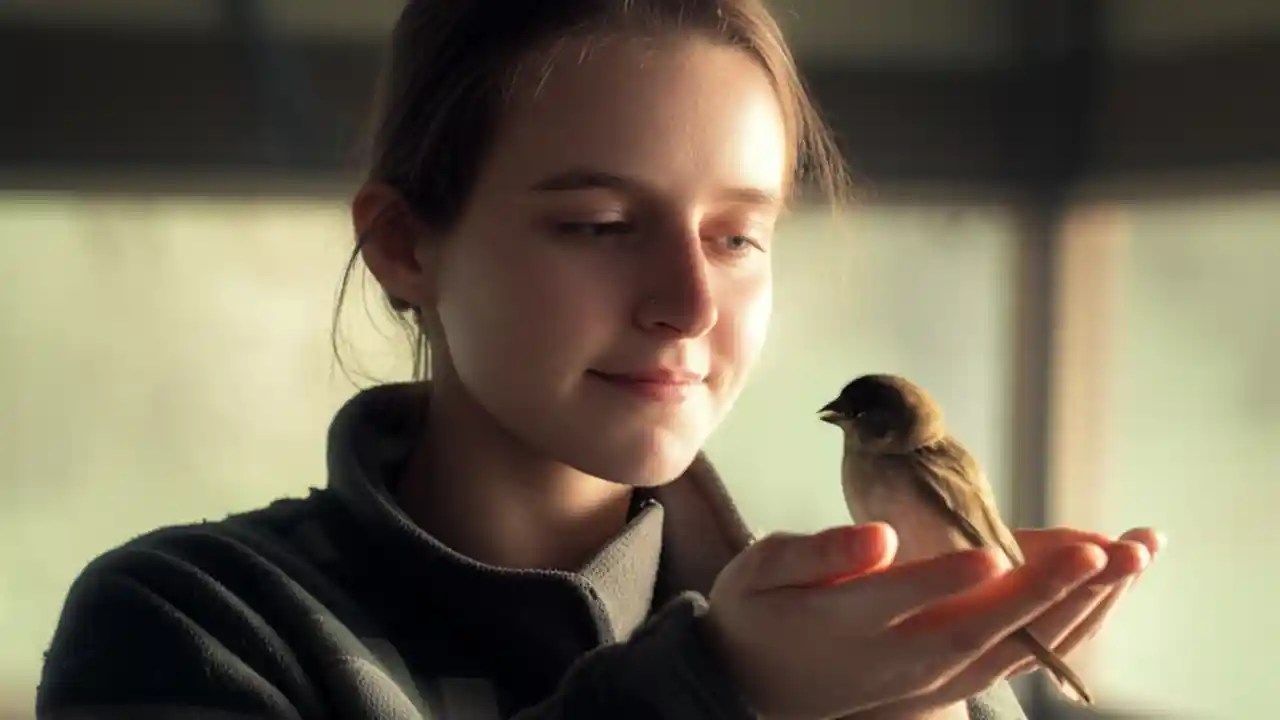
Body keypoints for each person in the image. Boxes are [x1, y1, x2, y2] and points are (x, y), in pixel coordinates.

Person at [36, 1, 1163, 718]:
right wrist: (715, 694)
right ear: (403, 243)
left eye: (737, 236)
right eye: (595, 224)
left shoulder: (894, 647)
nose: (685, 303)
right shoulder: (200, 626)